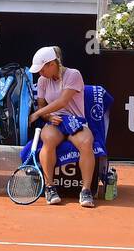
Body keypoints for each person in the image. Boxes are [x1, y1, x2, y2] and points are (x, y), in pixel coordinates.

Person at [28, 46, 96, 208]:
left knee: (86, 142)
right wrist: (48, 116)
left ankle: (86, 190)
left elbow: (62, 102)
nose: (40, 73)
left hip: (75, 120)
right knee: (48, 140)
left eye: (42, 69)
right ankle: (50, 187)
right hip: (54, 123)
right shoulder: (42, 80)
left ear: (52, 64)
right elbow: (42, 106)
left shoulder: (73, 75)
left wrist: (36, 114)